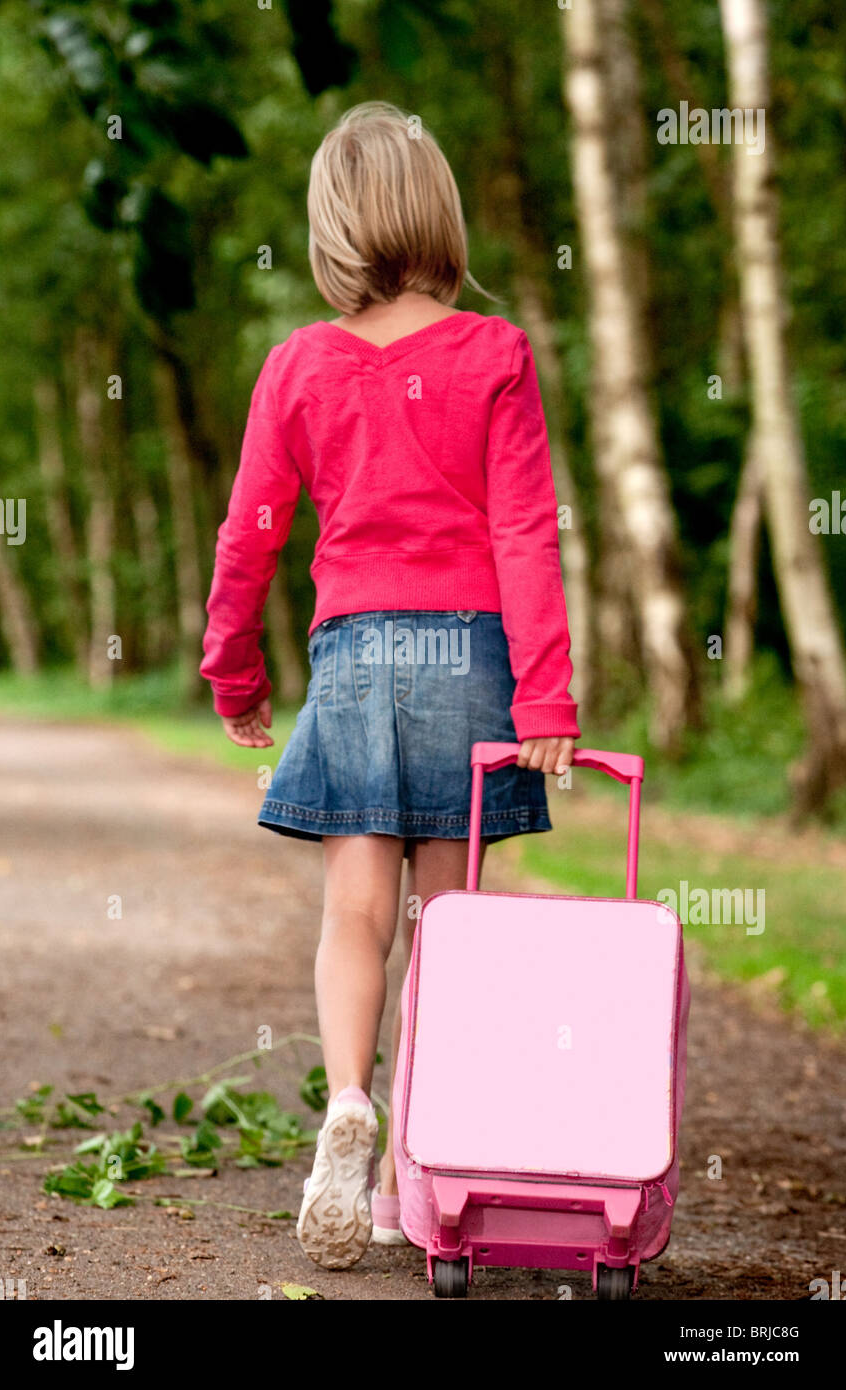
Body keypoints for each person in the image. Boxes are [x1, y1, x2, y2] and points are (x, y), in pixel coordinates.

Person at [200, 101, 580, 1271]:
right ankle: (412, 1176)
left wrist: (234, 667)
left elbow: (249, 535)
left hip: (358, 659)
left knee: (352, 916)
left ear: (330, 228)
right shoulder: (495, 352)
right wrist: (546, 698)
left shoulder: (297, 365)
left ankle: (349, 1103)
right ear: (437, 211)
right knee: (445, 926)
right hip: (470, 662)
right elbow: (524, 528)